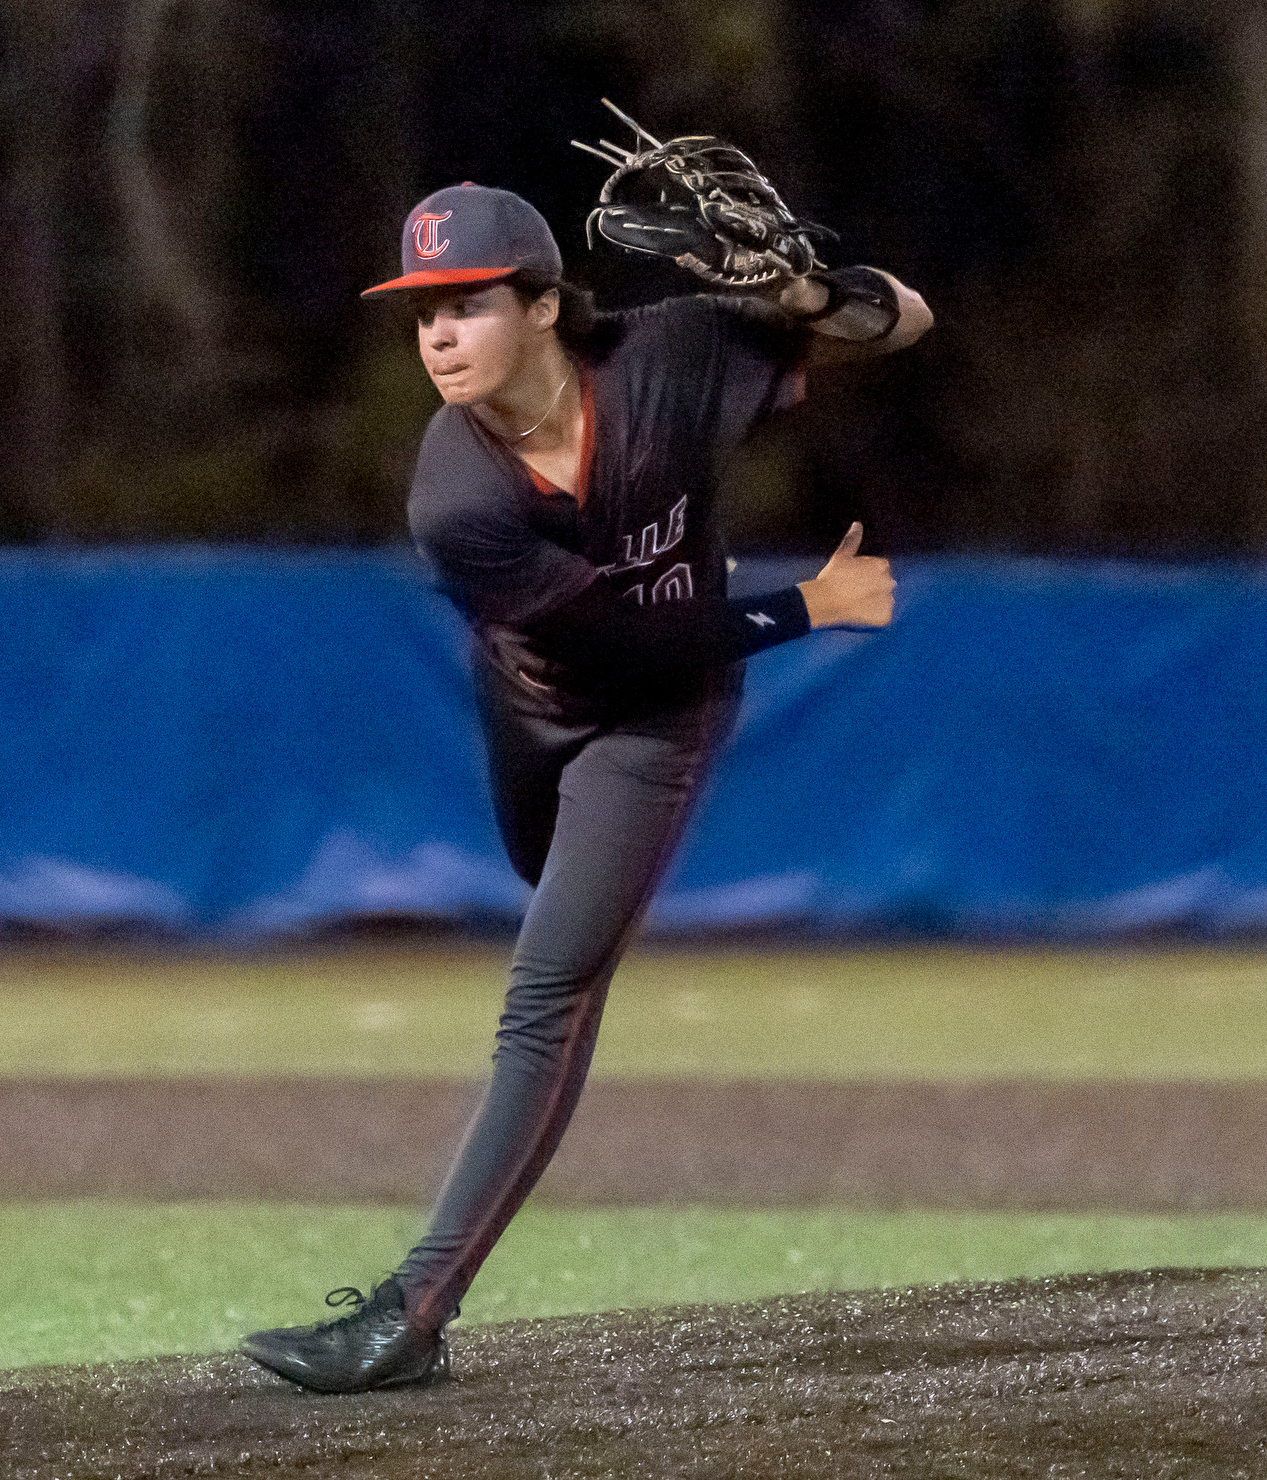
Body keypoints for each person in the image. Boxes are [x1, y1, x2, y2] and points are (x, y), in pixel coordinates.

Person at [239, 182, 932, 1394]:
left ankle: (409, 1314)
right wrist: (804, 606)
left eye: (466, 304)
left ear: (545, 305)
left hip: (656, 728)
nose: (437, 335)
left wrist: (810, 293)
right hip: (536, 714)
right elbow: (615, 643)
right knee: (561, 974)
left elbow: (905, 321)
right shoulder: (454, 494)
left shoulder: (670, 353)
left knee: (542, 994)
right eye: (421, 315)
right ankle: (422, 1304)